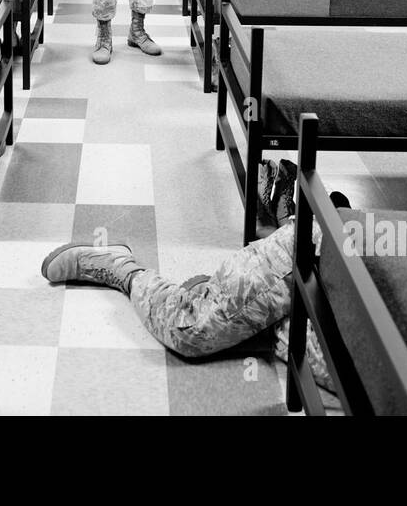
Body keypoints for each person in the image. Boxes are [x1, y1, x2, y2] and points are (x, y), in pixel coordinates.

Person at [40, 161, 336, 401]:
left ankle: (278, 227)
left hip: (339, 287)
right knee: (191, 327)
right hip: (333, 253)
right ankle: (121, 268)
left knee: (283, 334)